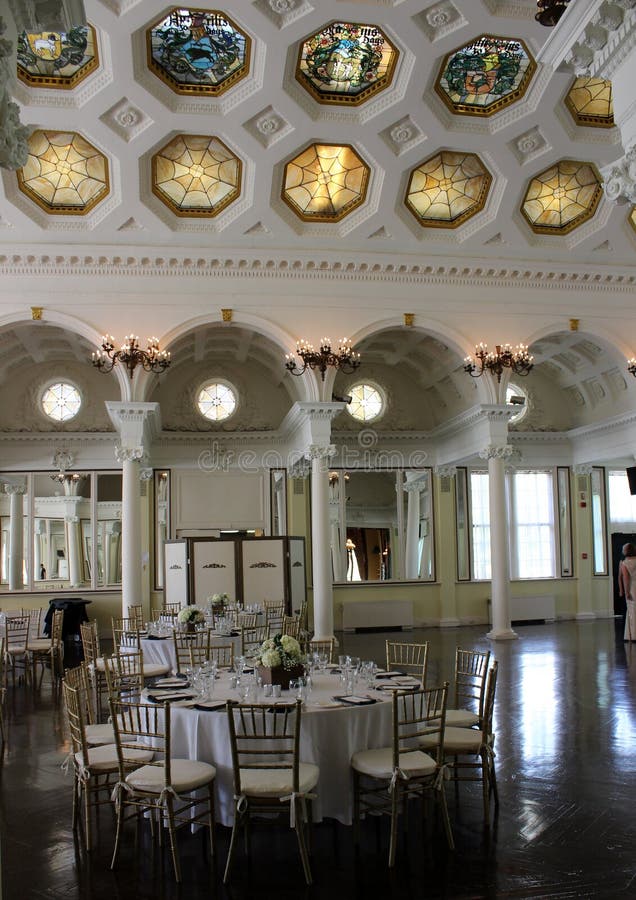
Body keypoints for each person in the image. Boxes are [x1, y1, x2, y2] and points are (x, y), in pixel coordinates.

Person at [618, 543, 636, 641]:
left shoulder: (625, 563)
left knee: (632, 610)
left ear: (627, 551)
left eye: (623, 549)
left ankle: (633, 635)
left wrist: (626, 592)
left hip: (632, 587)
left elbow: (626, 578)